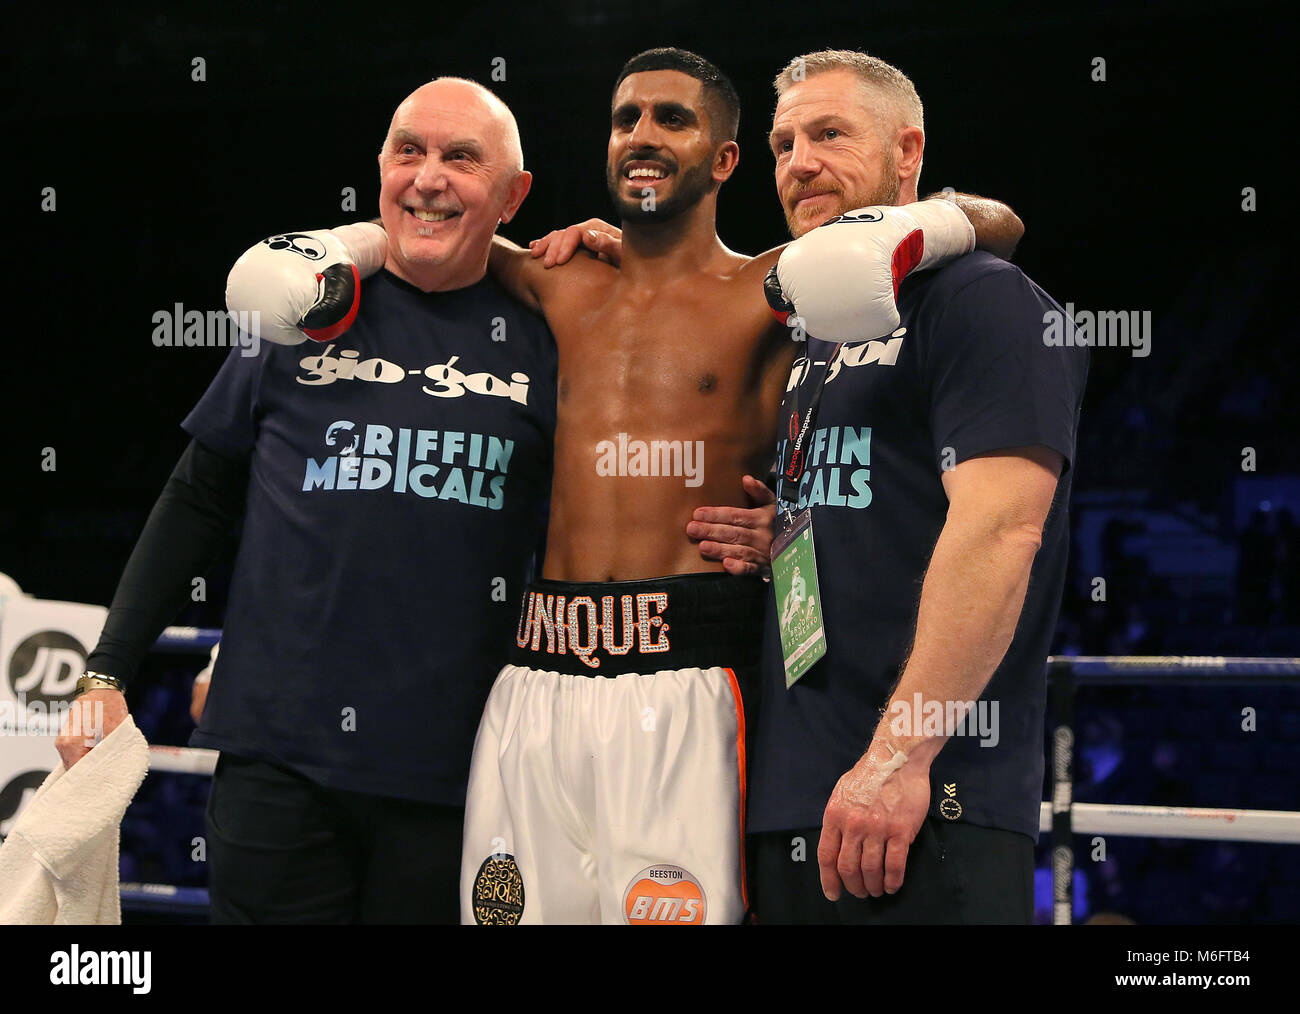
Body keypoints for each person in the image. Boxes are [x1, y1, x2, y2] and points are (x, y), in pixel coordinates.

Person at [242, 48, 1026, 924]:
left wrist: (921, 227)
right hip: (536, 674)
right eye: (626, 120)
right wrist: (336, 246)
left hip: (686, 676)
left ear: (726, 160)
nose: (642, 136)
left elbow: (995, 222)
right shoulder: (549, 276)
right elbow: (428, 228)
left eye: (671, 119)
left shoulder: (777, 287)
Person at [56, 78, 558, 923]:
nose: (428, 178)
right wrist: (107, 668)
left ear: (513, 196)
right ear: (380, 174)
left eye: (460, 158)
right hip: (277, 756)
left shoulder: (551, 334)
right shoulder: (302, 313)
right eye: (409, 151)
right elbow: (197, 500)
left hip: (464, 769)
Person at [751, 49, 1090, 923]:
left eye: (829, 133)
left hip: (929, 799)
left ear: (909, 153)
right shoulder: (815, 331)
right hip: (803, 798)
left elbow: (1002, 532)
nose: (799, 161)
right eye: (783, 142)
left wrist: (898, 760)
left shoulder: (987, 301)